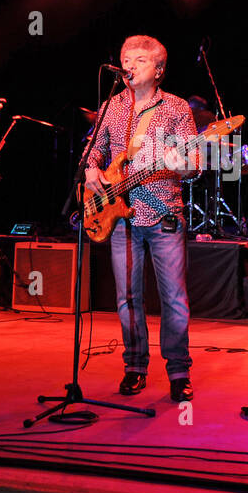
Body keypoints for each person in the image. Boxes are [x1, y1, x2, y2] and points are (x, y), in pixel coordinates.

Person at [85, 35, 200, 400]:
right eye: (124, 59)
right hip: (120, 218)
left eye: (138, 60)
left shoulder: (177, 108)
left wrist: (179, 161)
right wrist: (90, 171)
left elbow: (194, 165)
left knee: (174, 299)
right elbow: (93, 154)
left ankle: (178, 371)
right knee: (127, 298)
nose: (129, 66)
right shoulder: (111, 106)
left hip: (165, 214)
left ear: (159, 70)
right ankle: (135, 365)